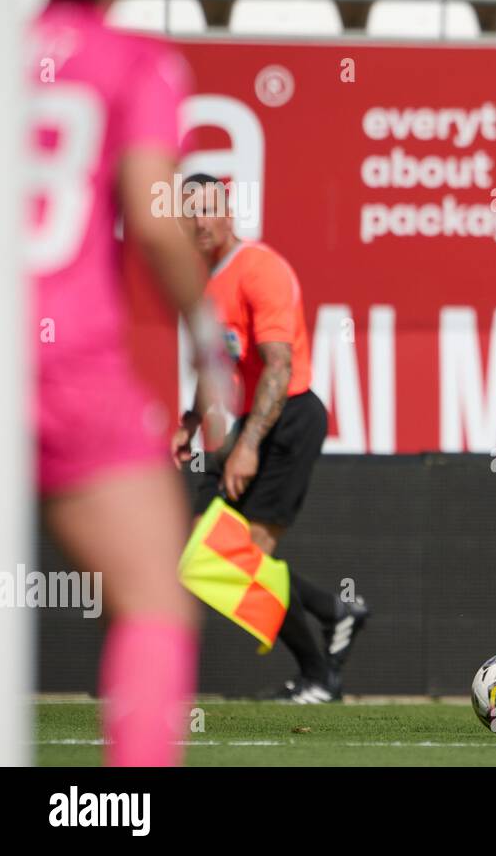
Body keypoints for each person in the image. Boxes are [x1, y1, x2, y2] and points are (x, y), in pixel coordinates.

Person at [29, 0, 232, 766]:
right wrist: (204, 333)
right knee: (154, 600)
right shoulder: (136, 63)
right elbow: (155, 219)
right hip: (67, 361)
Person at [173, 174, 369, 704]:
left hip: (287, 420)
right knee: (203, 550)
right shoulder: (205, 281)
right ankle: (332, 610)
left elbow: (279, 369)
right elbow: (216, 358)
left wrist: (248, 445)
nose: (199, 220)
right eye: (188, 210)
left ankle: (318, 677)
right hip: (247, 422)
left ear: (228, 211)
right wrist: (193, 419)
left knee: (245, 557)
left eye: (207, 208)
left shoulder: (260, 269)